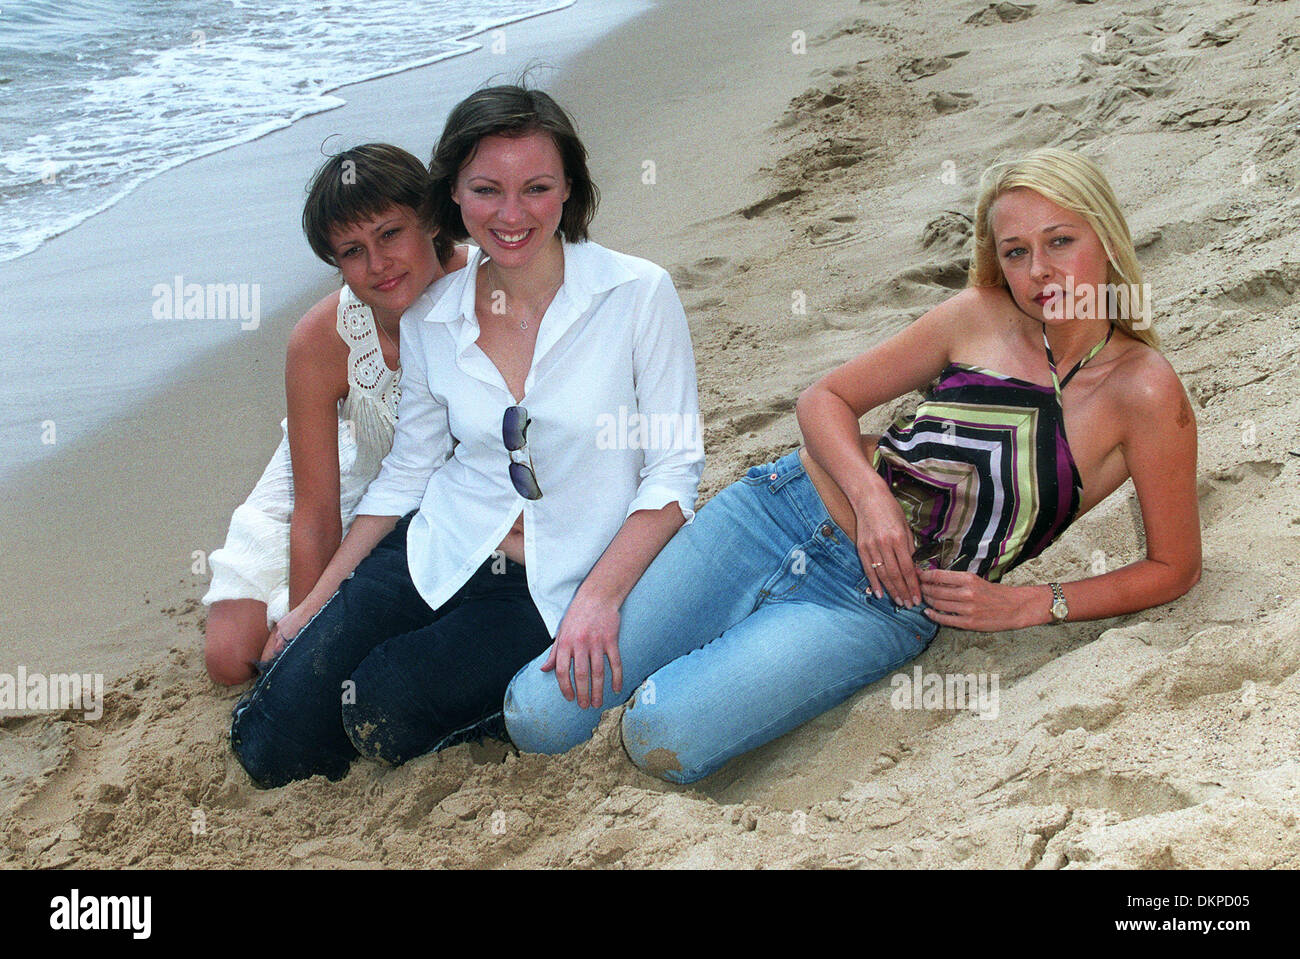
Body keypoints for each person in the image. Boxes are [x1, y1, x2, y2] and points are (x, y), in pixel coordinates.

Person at [504, 147, 1202, 784]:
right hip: (780, 510)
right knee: (539, 716)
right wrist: (871, 497)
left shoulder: (1143, 392)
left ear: (1106, 237)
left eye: (1061, 242)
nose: (1039, 271)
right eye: (1016, 252)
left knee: (659, 730)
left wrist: (1035, 601)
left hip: (874, 605)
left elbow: (1175, 566)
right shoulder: (977, 314)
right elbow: (825, 398)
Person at [228, 85, 704, 788]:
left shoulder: (637, 294)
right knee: (271, 745)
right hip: (438, 546)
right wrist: (313, 603)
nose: (511, 215)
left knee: (381, 707)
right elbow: (407, 472)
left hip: (551, 581)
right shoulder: (433, 317)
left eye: (536, 188)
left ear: (568, 188)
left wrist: (600, 598)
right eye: (486, 190)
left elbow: (673, 475)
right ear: (452, 192)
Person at [203, 144, 467, 685]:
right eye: (352, 250)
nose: (378, 265)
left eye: (390, 233)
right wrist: (306, 629)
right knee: (231, 661)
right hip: (348, 457)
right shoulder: (321, 339)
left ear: (431, 221)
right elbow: (316, 509)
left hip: (428, 484)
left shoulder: (491, 290)